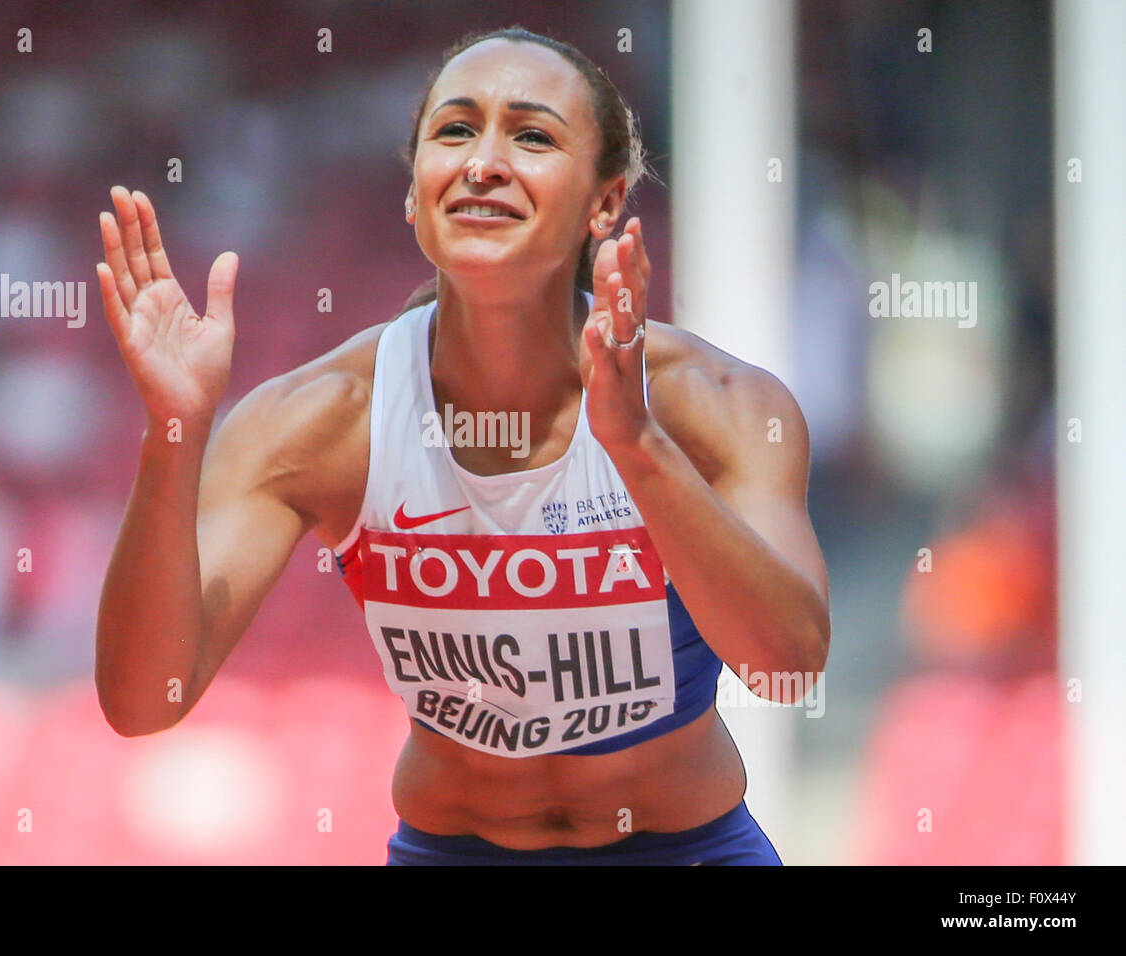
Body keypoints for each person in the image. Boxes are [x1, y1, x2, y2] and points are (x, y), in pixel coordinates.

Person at [94, 25, 830, 865]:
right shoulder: (321, 421)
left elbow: (788, 670)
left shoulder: (718, 406)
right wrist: (171, 432)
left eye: (532, 134)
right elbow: (144, 701)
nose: (483, 161)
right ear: (414, 195)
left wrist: (638, 448)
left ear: (605, 201)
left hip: (688, 847)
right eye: (455, 129)